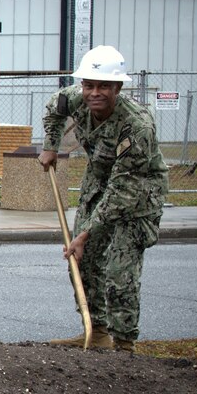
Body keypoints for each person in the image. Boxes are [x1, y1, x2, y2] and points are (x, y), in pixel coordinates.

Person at [40, 45, 168, 353]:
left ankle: (123, 345)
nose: (94, 93)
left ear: (118, 88)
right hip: (98, 182)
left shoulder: (137, 125)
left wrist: (85, 233)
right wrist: (51, 146)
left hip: (137, 195)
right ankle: (96, 331)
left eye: (103, 87)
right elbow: (54, 108)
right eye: (89, 85)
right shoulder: (76, 97)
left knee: (119, 272)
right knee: (82, 261)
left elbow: (122, 190)